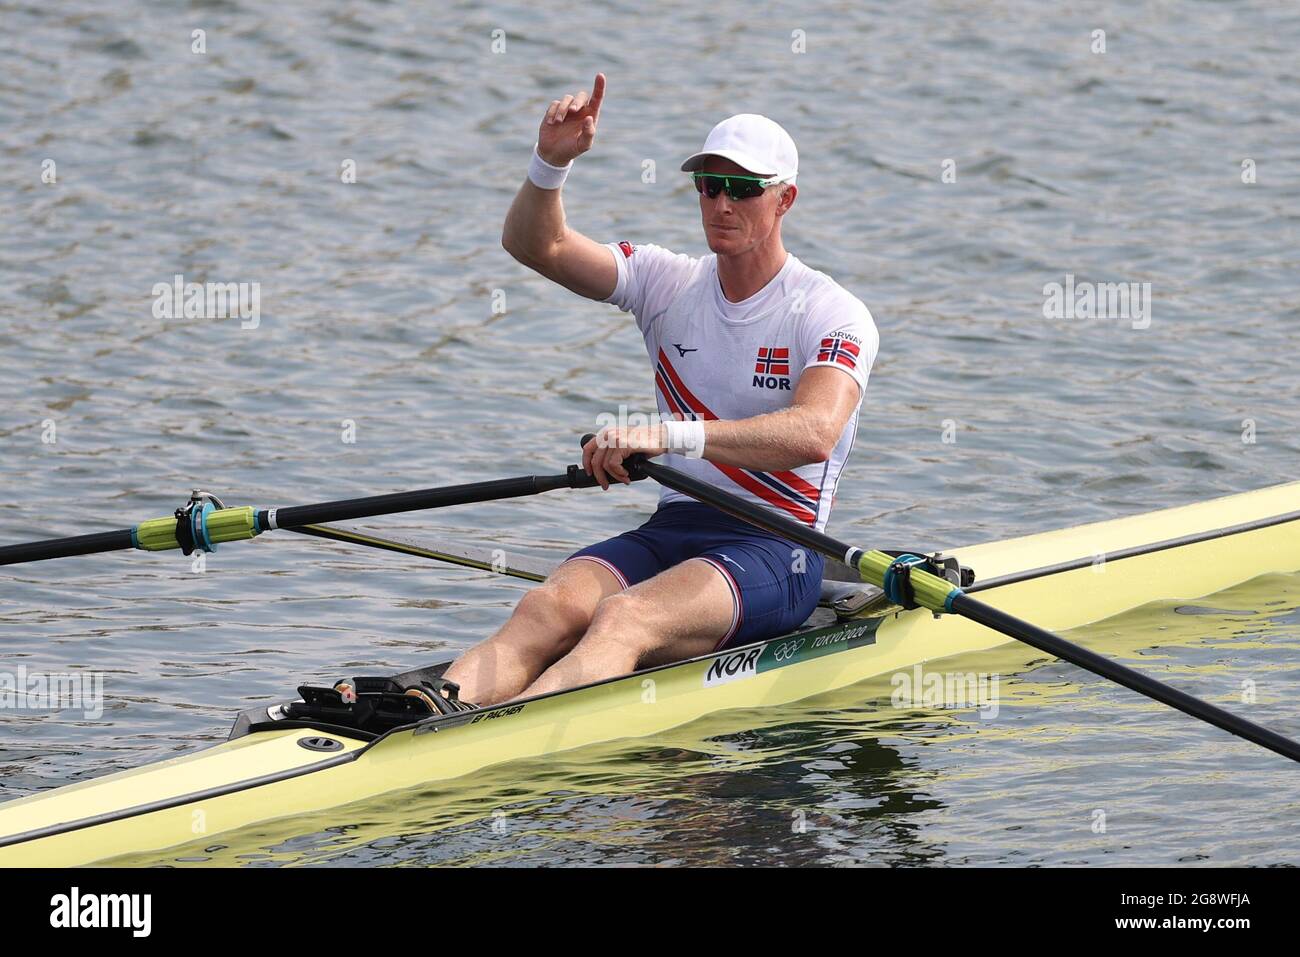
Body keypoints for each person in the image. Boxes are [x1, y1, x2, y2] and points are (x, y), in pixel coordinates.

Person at [445, 73, 878, 705]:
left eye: (742, 189)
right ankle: (429, 717)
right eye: (709, 185)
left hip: (777, 546)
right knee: (544, 607)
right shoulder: (666, 281)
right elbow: (537, 245)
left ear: (784, 200)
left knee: (623, 617)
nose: (721, 204)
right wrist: (549, 163)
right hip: (675, 527)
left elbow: (814, 433)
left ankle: (497, 747)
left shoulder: (829, 312)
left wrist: (665, 436)